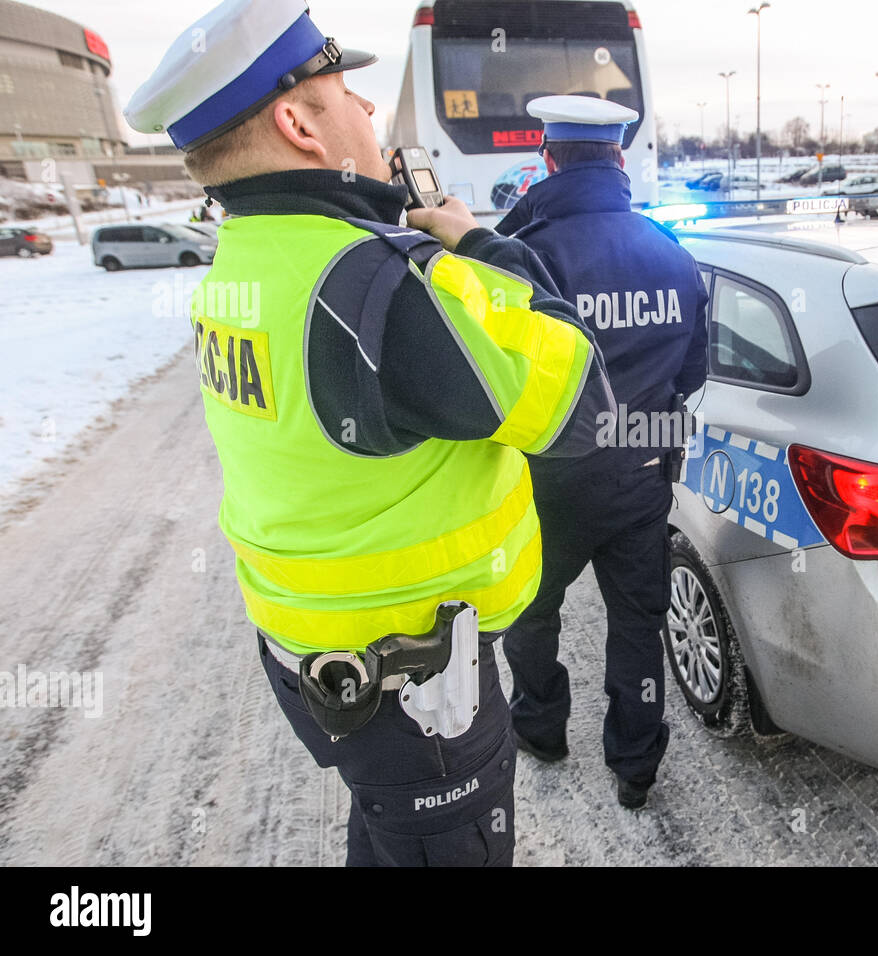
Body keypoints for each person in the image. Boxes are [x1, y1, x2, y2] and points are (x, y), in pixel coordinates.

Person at [124, 0, 615, 865]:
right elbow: (585, 404)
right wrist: (482, 247)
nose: (367, 114)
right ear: (297, 122)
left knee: (391, 838)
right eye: (347, 92)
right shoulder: (379, 286)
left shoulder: (243, 259)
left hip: (319, 656)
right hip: (418, 690)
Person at [497, 96, 710, 810]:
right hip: (641, 475)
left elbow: (498, 373)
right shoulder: (668, 248)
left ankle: (541, 727)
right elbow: (692, 376)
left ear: (549, 159)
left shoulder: (526, 252)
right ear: (619, 159)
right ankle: (636, 765)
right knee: (637, 624)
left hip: (548, 480)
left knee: (531, 614)